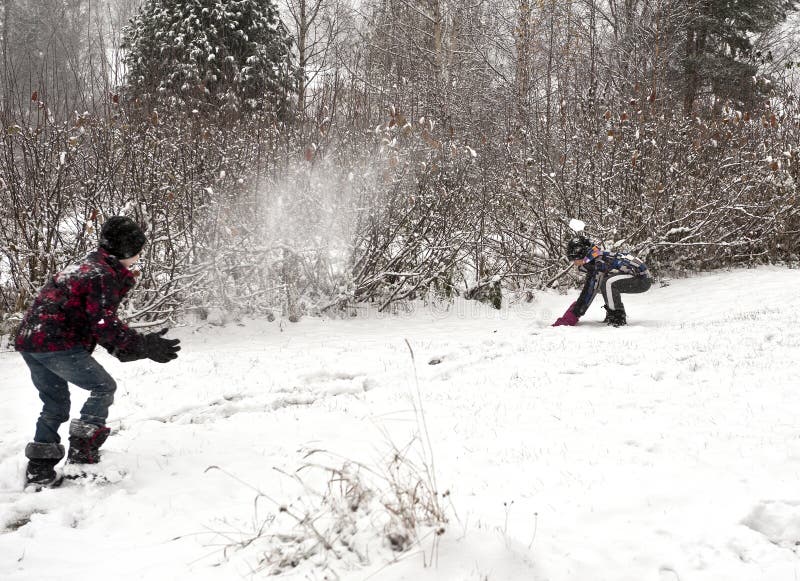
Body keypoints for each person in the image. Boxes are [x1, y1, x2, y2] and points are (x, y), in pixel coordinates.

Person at [15, 216, 181, 488]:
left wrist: (131, 349)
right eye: (138, 250)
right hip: (57, 343)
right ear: (127, 250)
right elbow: (104, 323)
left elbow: (94, 322)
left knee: (54, 404)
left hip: (31, 342)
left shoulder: (86, 266)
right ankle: (82, 456)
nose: (139, 256)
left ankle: (39, 469)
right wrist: (143, 345)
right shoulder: (102, 275)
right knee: (104, 387)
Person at [552, 235, 652, 328]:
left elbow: (590, 291)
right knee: (606, 282)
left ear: (583, 255)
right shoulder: (595, 258)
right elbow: (590, 288)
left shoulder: (598, 263)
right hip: (637, 276)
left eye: (575, 259)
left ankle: (617, 318)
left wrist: (574, 313)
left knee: (607, 283)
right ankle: (612, 314)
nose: (574, 263)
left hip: (642, 279)